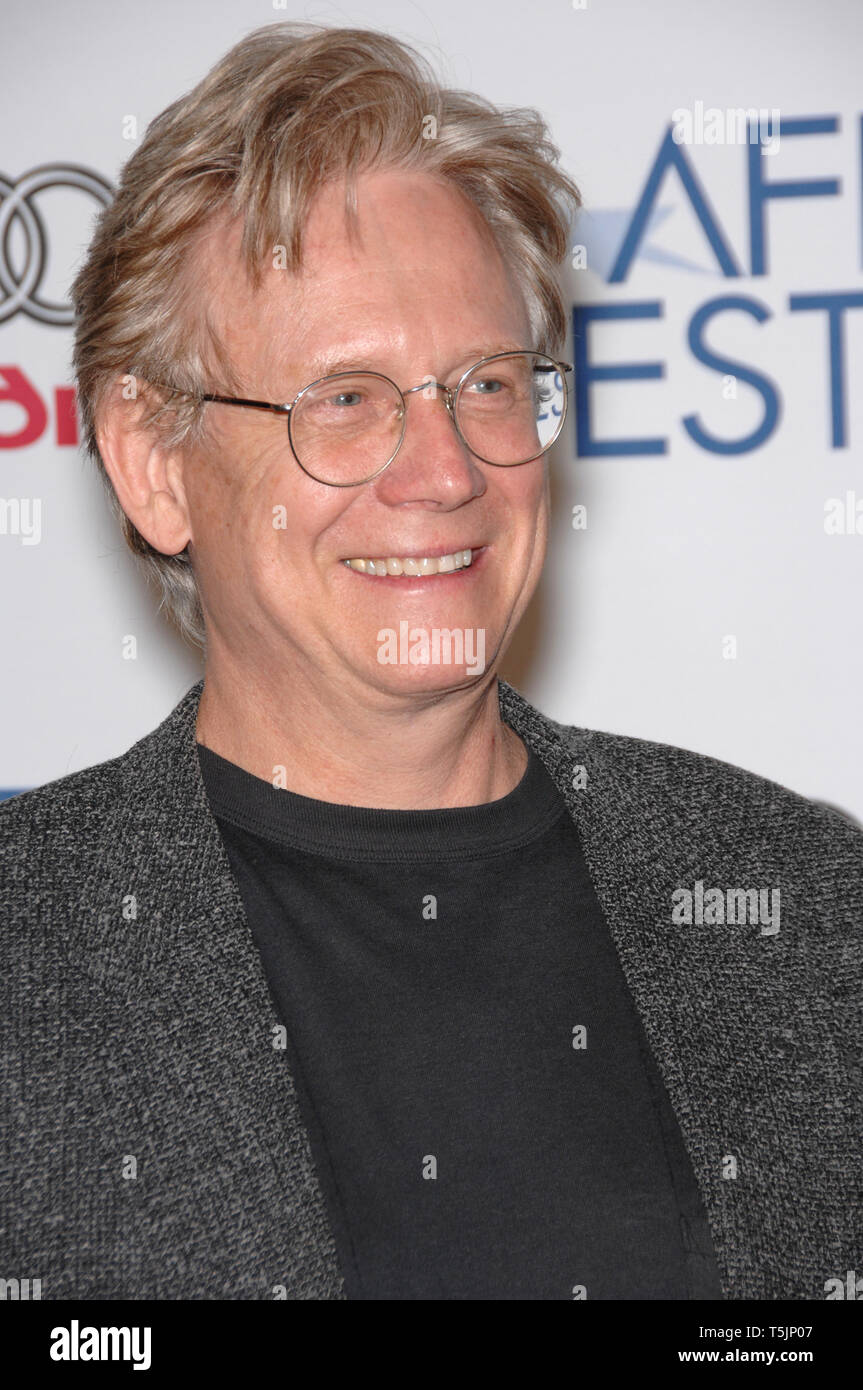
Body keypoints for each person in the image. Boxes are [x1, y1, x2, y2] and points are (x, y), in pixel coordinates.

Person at [1, 21, 860, 1302]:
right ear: (152, 463)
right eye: (343, 399)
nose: (449, 470)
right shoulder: (32, 946)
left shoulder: (800, 902)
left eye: (488, 384)